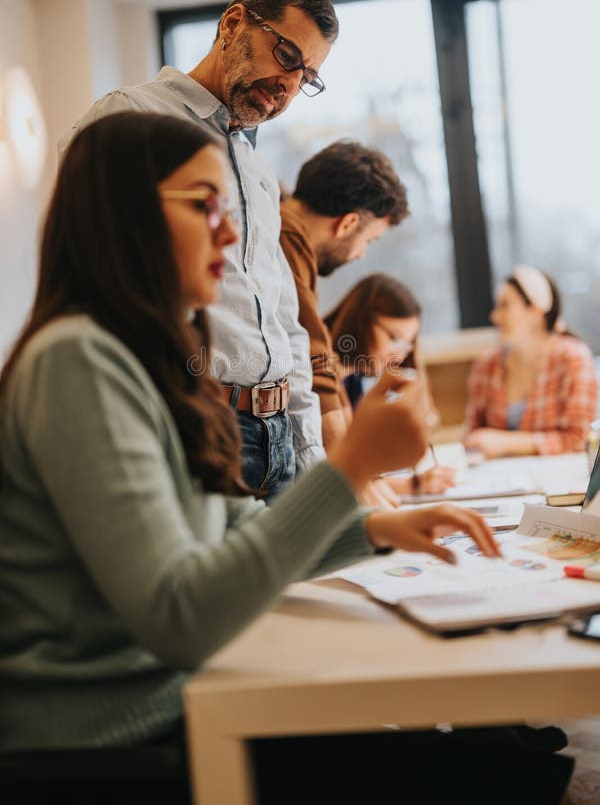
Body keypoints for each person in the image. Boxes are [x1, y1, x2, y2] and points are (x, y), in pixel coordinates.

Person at [1, 114, 573, 805]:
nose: (233, 232)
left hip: (179, 704)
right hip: (111, 745)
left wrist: (374, 530)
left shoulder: (159, 361)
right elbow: (179, 616)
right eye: (205, 204)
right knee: (498, 775)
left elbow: (239, 531)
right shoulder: (76, 361)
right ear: (125, 216)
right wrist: (349, 467)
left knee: (495, 755)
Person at [59, 0, 340, 500]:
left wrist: (308, 451)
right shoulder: (131, 118)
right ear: (233, 24)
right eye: (285, 54)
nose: (288, 84)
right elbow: (95, 279)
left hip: (281, 435)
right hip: (201, 424)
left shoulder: (256, 169)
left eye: (306, 76)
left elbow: (283, 320)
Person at [279, 140, 408, 451]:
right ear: (348, 223)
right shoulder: (285, 237)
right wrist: (354, 482)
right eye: (369, 240)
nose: (362, 254)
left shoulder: (285, 232)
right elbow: (315, 358)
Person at [325, 274, 456, 498]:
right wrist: (413, 485)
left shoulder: (354, 381)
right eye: (394, 338)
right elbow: (337, 474)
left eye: (407, 344)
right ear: (362, 320)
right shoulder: (322, 378)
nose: (399, 354)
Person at [464, 264, 598, 459]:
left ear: (536, 310)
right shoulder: (486, 365)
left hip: (557, 480)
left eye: (505, 306)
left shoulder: (573, 358)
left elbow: (581, 438)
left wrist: (506, 443)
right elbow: (472, 437)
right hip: (498, 483)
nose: (494, 316)